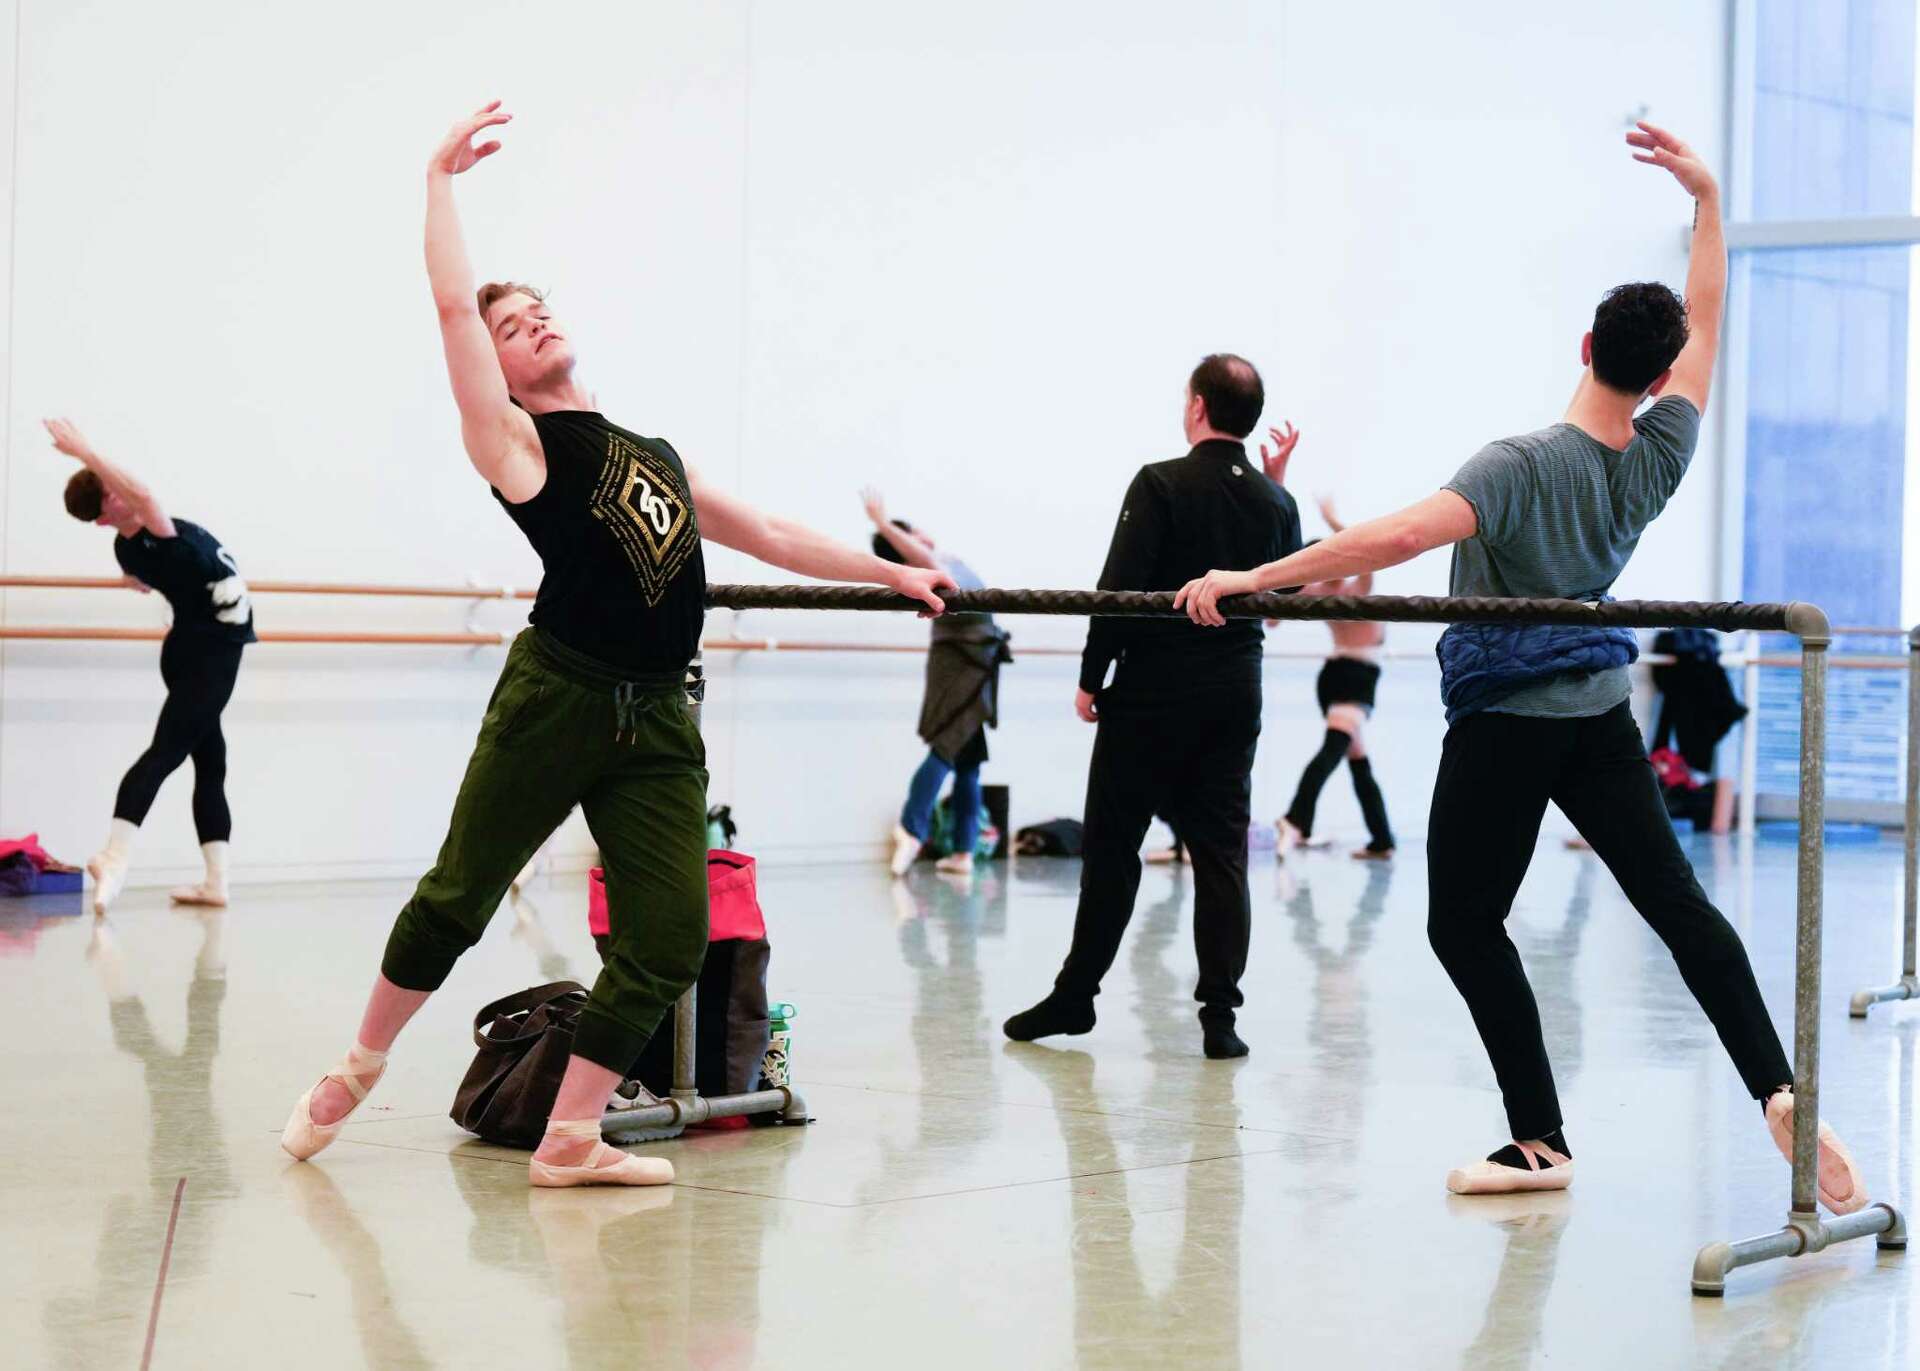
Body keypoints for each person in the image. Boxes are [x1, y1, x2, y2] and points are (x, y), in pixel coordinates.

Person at [1175, 123, 1868, 1211]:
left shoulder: (1517, 465)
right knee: (1679, 906)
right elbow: (1708, 324)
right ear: (1654, 375)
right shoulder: (1659, 456)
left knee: (1462, 922)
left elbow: (1398, 536)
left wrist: (1252, 575)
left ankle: (1539, 1139)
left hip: (1505, 722)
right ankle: (1778, 1085)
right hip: (1599, 714)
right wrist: (1708, 201)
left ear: (1585, 346)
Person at [280, 101, 953, 1189]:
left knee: (669, 938)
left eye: (539, 309)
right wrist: (439, 181)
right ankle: (359, 1065)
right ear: (497, 371)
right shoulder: (518, 446)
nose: (533, 322)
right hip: (559, 696)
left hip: (658, 716)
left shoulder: (656, 454)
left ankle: (570, 1137)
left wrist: (892, 573)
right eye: (513, 327)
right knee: (460, 896)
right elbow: (452, 306)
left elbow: (771, 532)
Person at [1004, 357, 1302, 1060]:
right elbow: (1287, 586)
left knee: (1114, 849)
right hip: (1233, 693)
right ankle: (1220, 1018)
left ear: (1197, 406)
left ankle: (1077, 995)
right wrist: (1275, 485)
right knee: (1221, 856)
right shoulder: (1274, 500)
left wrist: (1090, 677)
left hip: (1152, 694)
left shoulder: (1160, 481)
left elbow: (1119, 589)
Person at [50, 419, 255, 914]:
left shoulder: (128, 549)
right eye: (110, 496)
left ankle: (216, 882)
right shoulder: (154, 531)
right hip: (209, 654)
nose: (120, 493)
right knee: (165, 753)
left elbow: (141, 578)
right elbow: (141, 493)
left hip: (190, 648)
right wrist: (84, 451)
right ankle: (114, 856)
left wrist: (143, 580)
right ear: (104, 519)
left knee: (211, 763)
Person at [863, 489, 1012, 879]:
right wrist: (882, 524)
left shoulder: (943, 562)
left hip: (977, 660)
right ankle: (912, 828)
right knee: (947, 745)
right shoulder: (927, 568)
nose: (922, 534)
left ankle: (963, 850)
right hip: (961, 665)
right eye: (911, 533)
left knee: (968, 761)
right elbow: (920, 557)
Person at [1273, 497, 1396, 861]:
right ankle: (1295, 818)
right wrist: (1333, 524)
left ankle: (1381, 840)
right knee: (1334, 748)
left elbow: (1365, 552)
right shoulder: (1332, 593)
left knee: (1357, 759)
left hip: (1350, 675)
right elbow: (1274, 614)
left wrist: (1333, 523)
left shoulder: (1341, 590)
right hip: (1351, 677)